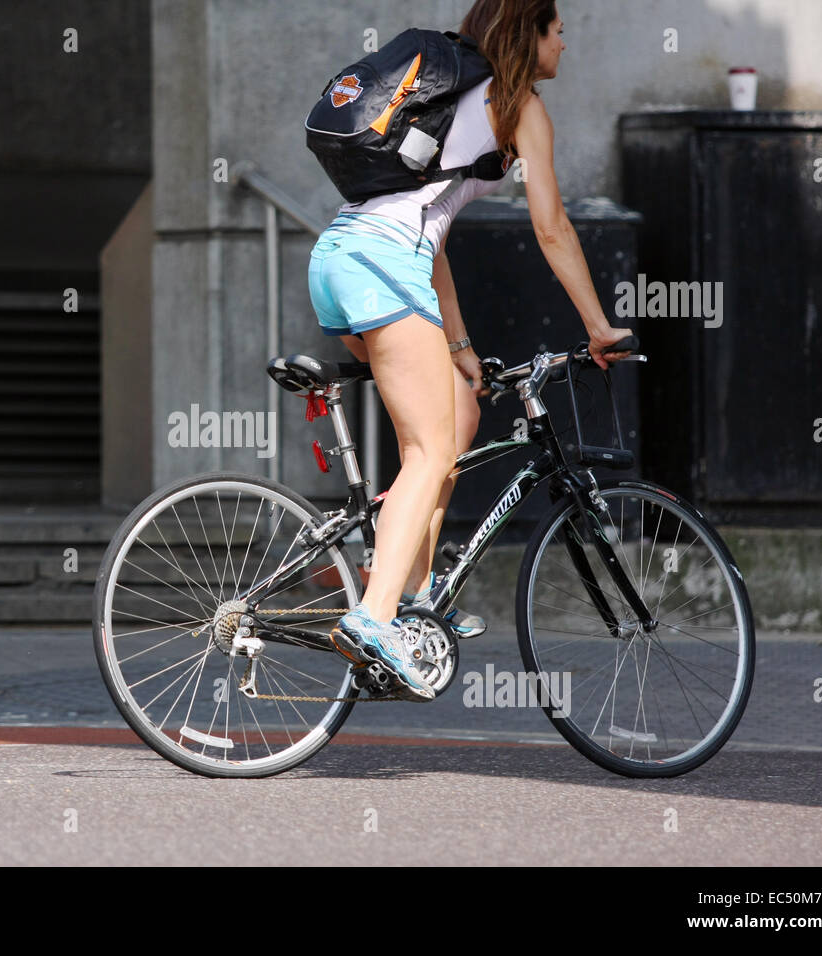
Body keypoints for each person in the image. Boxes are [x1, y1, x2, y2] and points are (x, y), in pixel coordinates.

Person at [307, 0, 634, 700]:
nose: (566, 45)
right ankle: (373, 615)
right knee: (429, 452)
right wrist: (600, 327)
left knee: (454, 421)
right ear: (532, 35)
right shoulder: (522, 108)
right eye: (559, 31)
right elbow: (552, 230)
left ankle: (417, 591)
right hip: (380, 268)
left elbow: (437, 238)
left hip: (341, 258)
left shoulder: (453, 96)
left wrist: (459, 345)